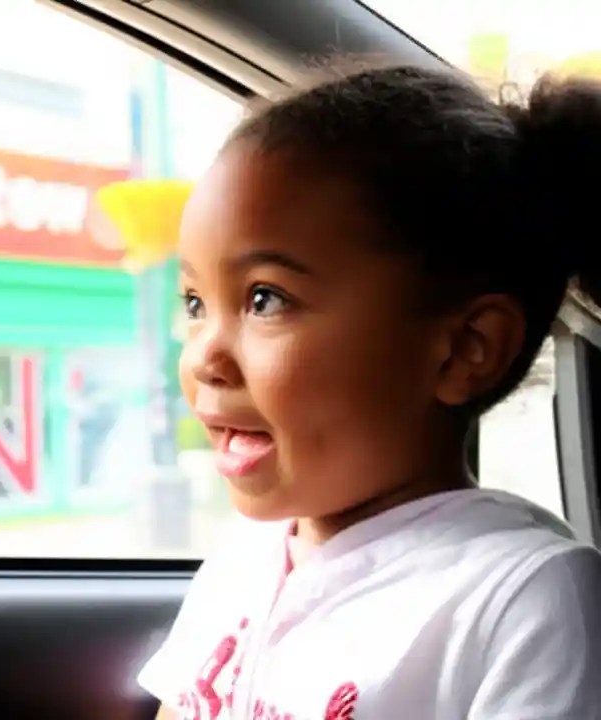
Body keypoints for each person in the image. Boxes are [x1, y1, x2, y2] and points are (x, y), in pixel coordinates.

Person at [140, 64, 601, 719]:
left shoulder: (525, 597)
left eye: (265, 299)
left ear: (466, 349)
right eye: (194, 302)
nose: (203, 356)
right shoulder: (237, 573)